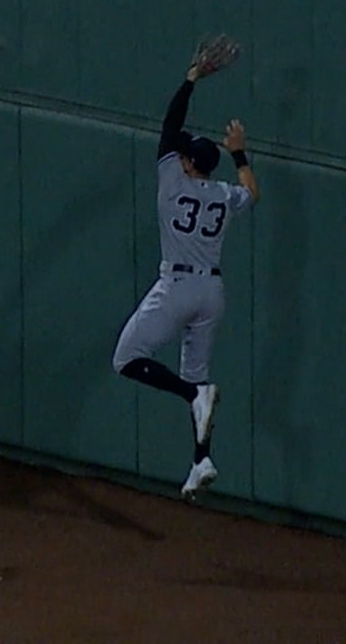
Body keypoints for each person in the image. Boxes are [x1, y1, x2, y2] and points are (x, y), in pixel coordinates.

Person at [111, 35, 259, 500]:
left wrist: (191, 78)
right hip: (212, 295)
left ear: (189, 163)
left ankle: (192, 396)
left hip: (175, 287)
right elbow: (253, 192)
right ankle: (201, 460)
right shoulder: (222, 195)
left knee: (127, 360)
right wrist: (238, 152)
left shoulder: (173, 179)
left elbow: (168, 126)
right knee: (199, 383)